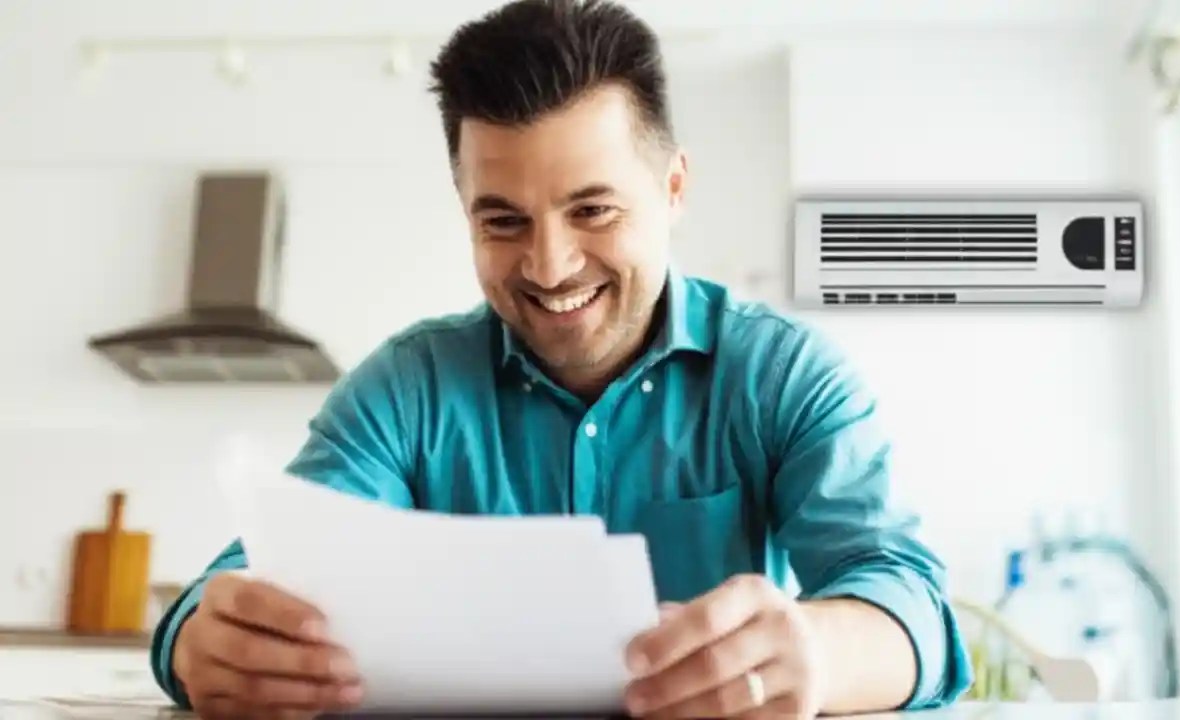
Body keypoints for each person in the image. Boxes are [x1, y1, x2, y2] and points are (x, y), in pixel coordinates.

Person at [150, 0, 972, 717]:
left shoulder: (781, 374)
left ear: (674, 188)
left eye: (593, 209)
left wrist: (819, 653)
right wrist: (202, 644)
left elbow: (912, 607)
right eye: (502, 221)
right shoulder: (407, 391)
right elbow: (253, 577)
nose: (549, 266)